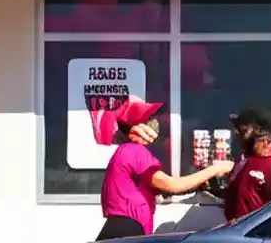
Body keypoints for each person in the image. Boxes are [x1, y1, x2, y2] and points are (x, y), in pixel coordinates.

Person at [97, 99, 233, 241]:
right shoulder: (134, 151)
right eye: (149, 120)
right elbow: (171, 185)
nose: (156, 125)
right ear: (136, 127)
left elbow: (163, 188)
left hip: (126, 226)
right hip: (127, 228)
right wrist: (215, 169)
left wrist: (198, 184)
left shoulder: (126, 151)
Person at [223, 106, 271, 223]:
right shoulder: (243, 162)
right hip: (232, 234)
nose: (236, 132)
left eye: (243, 129)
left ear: (260, 131)